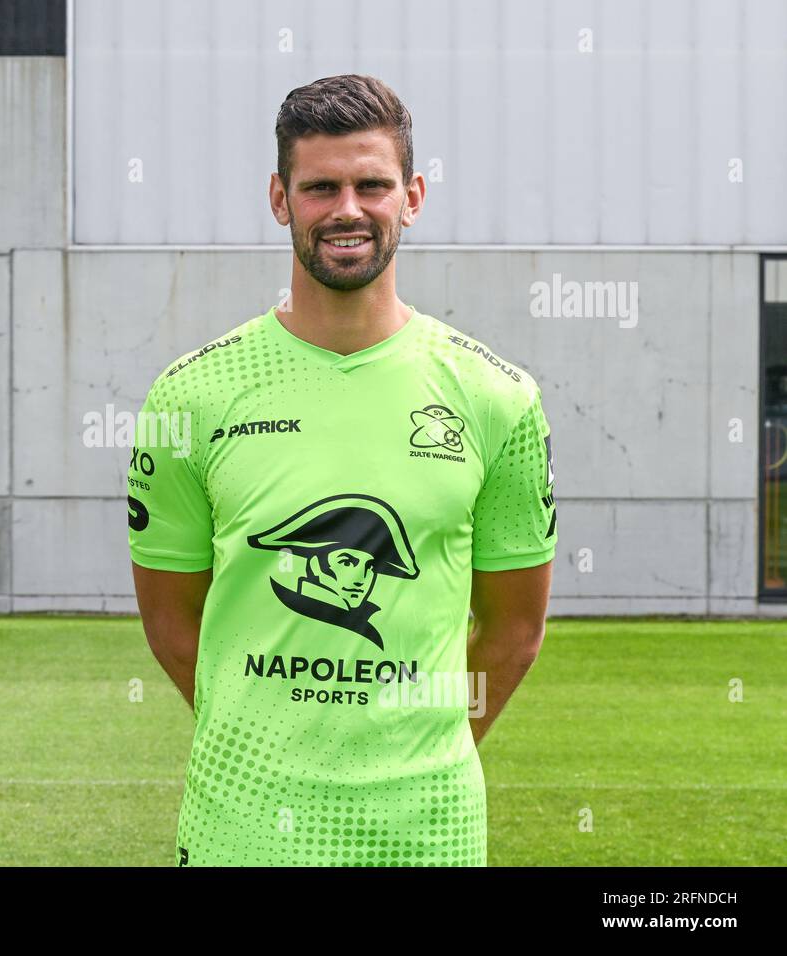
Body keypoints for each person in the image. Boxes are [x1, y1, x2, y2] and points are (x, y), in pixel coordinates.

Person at [127, 74, 558, 866]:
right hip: (242, 829)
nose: (347, 209)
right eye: (320, 187)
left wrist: (419, 748)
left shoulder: (497, 398)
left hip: (428, 833)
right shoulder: (190, 396)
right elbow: (170, 624)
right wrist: (264, 744)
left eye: (372, 184)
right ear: (280, 198)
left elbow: (513, 631)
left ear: (414, 196)